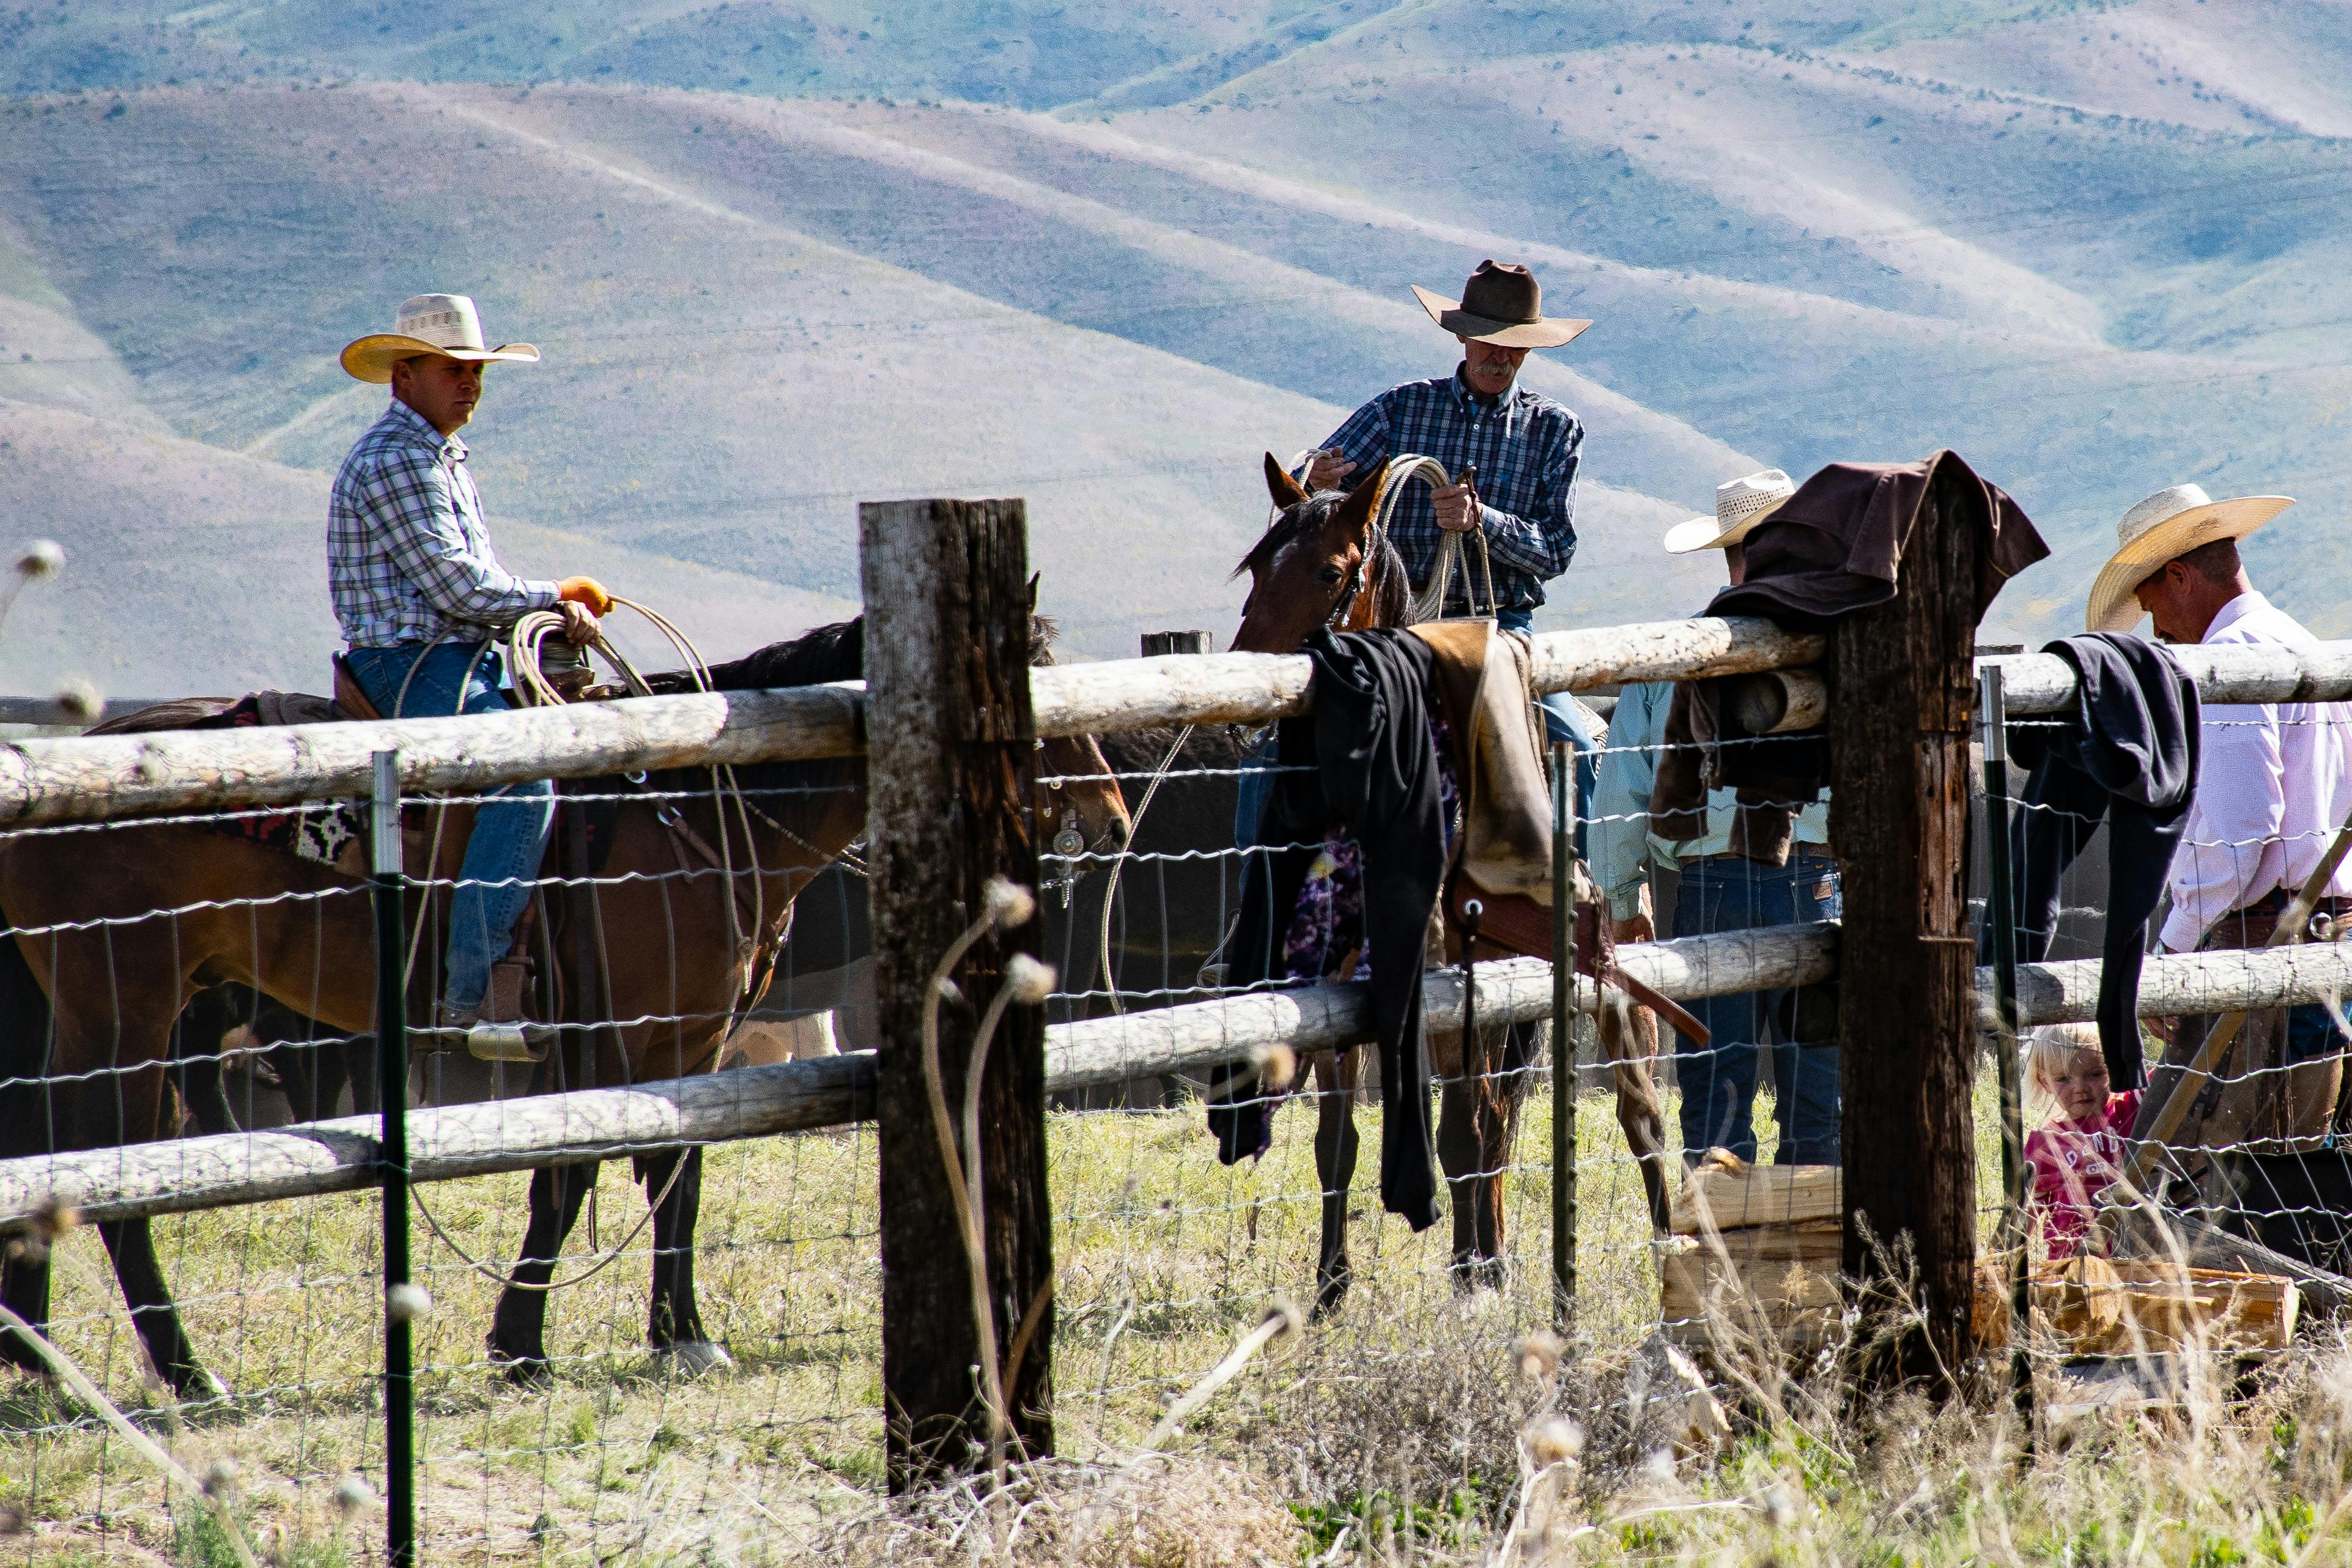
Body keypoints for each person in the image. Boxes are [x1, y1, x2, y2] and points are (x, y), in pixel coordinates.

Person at [330, 293, 613, 1035]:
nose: (470, 383)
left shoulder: (439, 456)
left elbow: (469, 585)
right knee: (525, 775)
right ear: (404, 377)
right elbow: (459, 585)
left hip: (455, 656)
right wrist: (556, 592)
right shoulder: (397, 460)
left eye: (476, 370)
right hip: (411, 664)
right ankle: (474, 989)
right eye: (452, 369)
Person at [2086, 484, 2352, 1150]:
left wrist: (2172, 951)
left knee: (2200, 1174)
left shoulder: (2225, 663)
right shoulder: (2302, 643)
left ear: (2178, 576)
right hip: (2323, 938)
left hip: (2261, 945)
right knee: (2291, 1161)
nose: (2158, 631)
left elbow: (2240, 834)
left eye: (2153, 607)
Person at [1589, 470, 1840, 1166]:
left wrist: (1615, 900)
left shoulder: (1678, 654)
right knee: (1820, 1086)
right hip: (1819, 877)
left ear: (1729, 557)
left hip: (1711, 885)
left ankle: (1723, 1262)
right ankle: (1821, 1258)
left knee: (1717, 1091)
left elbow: (1621, 793)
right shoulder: (1837, 646)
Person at [2022, 1023, 2140, 1259]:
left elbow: (2175, 1071)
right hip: (2070, 1265)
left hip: (2134, 1258)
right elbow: (2027, 1215)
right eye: (2063, 1079)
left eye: (2095, 1074)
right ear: (2045, 1081)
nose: (2080, 1089)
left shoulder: (2130, 1108)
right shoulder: (2046, 1142)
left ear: (2112, 1068)